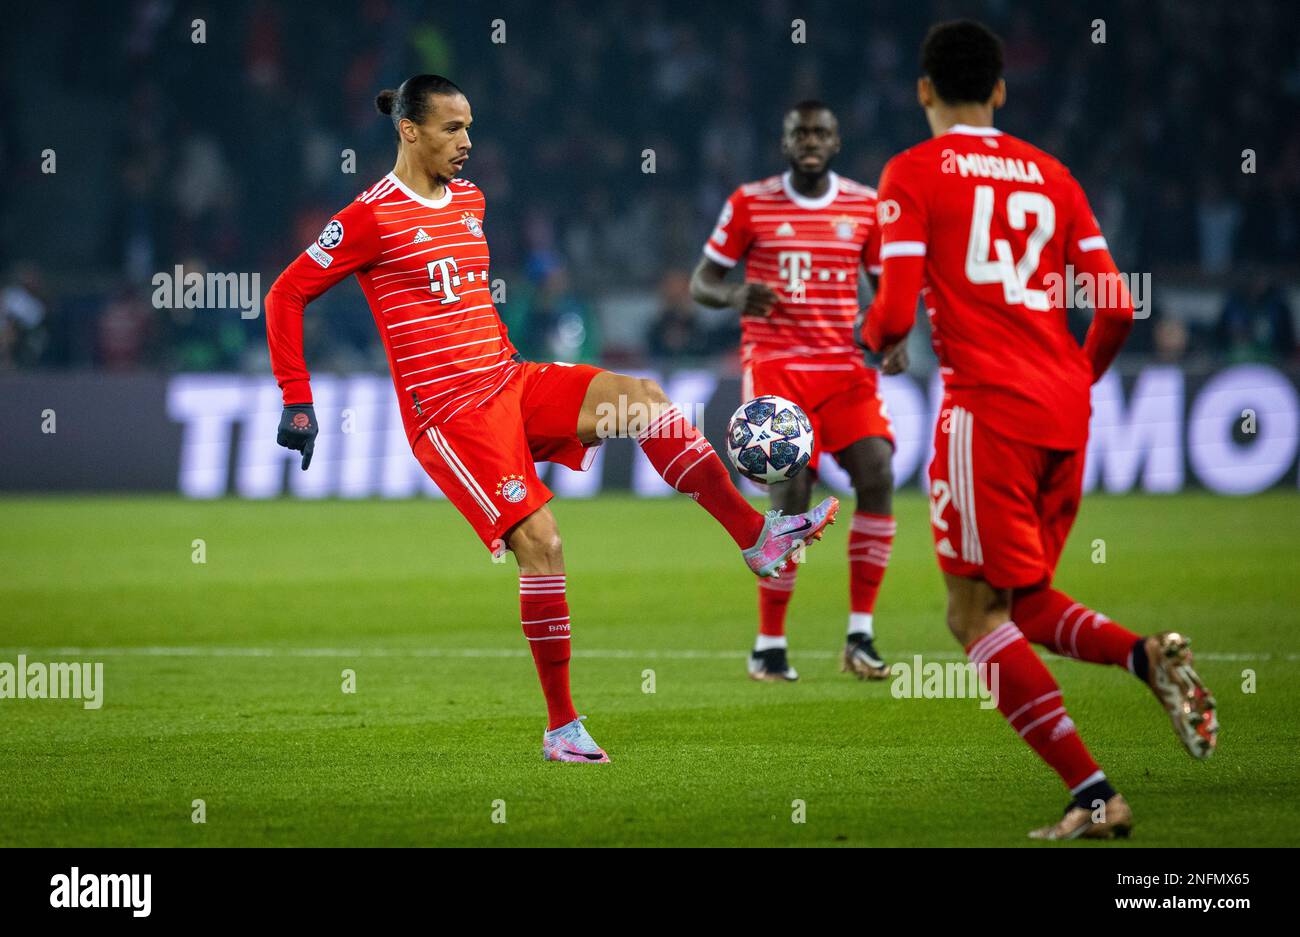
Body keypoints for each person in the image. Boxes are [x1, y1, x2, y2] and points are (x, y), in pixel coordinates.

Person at [264, 75, 839, 764]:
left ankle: (756, 536)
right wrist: (298, 398)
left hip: (510, 378)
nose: (468, 142)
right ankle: (562, 726)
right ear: (409, 131)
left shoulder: (471, 202)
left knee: (643, 401)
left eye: (470, 126)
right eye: (452, 128)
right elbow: (286, 293)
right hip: (451, 417)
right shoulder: (369, 216)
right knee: (544, 542)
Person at [862, 21, 1218, 839]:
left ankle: (1095, 795)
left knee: (971, 616)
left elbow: (893, 305)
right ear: (1001, 90)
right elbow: (1119, 303)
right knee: (1024, 602)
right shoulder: (1051, 174)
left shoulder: (912, 171)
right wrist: (1075, 381)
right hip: (1065, 408)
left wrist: (876, 343)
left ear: (923, 90)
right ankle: (1144, 654)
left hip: (988, 409)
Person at [691, 101, 899, 683]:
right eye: (800, 132)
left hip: (843, 368)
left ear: (835, 142)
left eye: (821, 132)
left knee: (878, 471)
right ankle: (769, 643)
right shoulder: (750, 202)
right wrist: (733, 296)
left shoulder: (865, 205)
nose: (810, 140)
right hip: (777, 366)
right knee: (795, 490)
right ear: (785, 143)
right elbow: (702, 281)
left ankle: (860, 634)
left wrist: (895, 337)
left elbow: (886, 291)